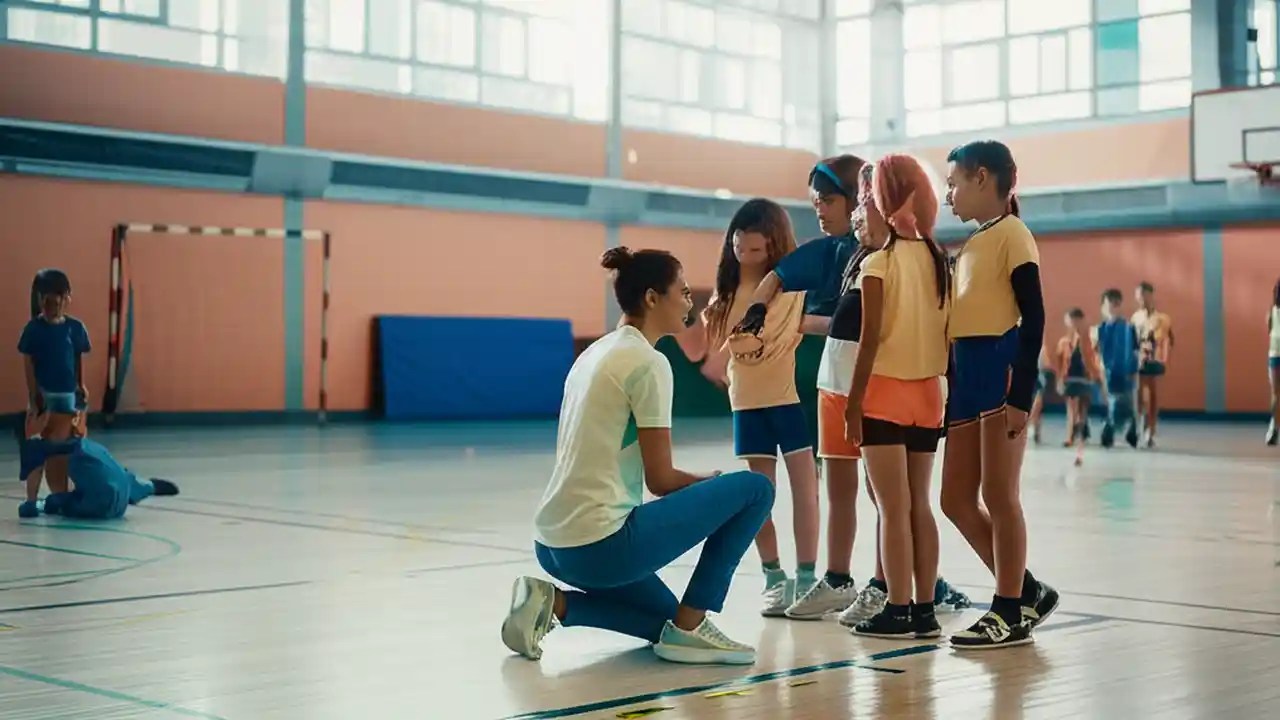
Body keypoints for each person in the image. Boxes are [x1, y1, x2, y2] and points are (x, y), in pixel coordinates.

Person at [502, 247, 775, 666]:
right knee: (755, 489)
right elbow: (661, 481)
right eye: (682, 293)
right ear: (652, 298)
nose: (689, 302)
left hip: (553, 543)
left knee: (662, 625)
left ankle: (553, 603)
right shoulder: (649, 363)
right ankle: (692, 625)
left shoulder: (594, 353)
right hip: (600, 547)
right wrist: (710, 485)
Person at [732, 157, 970, 623]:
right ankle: (855, 583)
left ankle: (894, 591)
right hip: (847, 384)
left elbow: (874, 331)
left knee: (890, 500)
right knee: (862, 492)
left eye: (854, 200)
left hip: (877, 388)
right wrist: (765, 310)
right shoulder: (851, 254)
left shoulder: (892, 260)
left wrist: (801, 328)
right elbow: (784, 281)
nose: (828, 209)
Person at [941, 140, 1059, 650]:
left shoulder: (1014, 234)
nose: (949, 195)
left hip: (1000, 370)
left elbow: (1034, 319)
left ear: (982, 178)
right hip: (966, 376)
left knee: (999, 496)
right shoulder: (974, 243)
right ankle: (1027, 589)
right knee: (954, 499)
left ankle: (1008, 609)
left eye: (954, 183)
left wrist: (1022, 392)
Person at [841, 155, 951, 640]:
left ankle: (899, 608)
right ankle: (926, 610)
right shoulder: (938, 260)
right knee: (919, 505)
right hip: (930, 396)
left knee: (891, 507)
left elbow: (870, 340)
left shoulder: (877, 263)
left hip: (883, 392)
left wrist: (851, 403)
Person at [703, 199, 820, 617]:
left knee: (806, 490)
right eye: (739, 248)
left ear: (774, 246)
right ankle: (774, 577)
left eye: (756, 250)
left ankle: (808, 577)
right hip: (747, 406)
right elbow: (721, 351)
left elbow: (803, 325)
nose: (747, 256)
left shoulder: (791, 289)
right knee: (760, 496)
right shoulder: (725, 297)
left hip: (787, 401)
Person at [19, 268, 90, 517]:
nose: (55, 303)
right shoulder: (33, 330)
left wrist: (81, 385)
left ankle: (62, 495)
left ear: (67, 298)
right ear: (40, 299)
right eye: (48, 297)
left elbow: (78, 357)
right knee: (37, 448)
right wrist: (33, 394)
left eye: (60, 296)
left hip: (68, 397)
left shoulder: (75, 328)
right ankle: (30, 500)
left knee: (65, 448)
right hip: (43, 398)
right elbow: (28, 362)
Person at [18, 412, 179, 519]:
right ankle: (151, 486)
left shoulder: (70, 453)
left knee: (59, 501)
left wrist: (35, 503)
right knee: (124, 480)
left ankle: (44, 504)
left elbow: (41, 452)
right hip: (120, 493)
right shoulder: (90, 447)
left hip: (99, 503)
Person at [1054, 308, 1104, 466]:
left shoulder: (1089, 340)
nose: (1074, 323)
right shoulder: (1063, 342)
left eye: (1077, 320)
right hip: (1070, 378)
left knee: (1083, 409)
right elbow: (1059, 363)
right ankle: (1070, 436)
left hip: (1085, 378)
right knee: (1071, 407)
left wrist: (1098, 377)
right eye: (1071, 320)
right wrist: (1060, 380)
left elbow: (1094, 359)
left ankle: (1081, 435)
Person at [1095, 288, 1140, 449]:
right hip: (1108, 373)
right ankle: (1111, 431)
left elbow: (1135, 352)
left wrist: (1134, 373)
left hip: (1126, 373)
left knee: (1126, 402)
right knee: (1112, 403)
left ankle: (1129, 431)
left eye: (1115, 304)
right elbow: (1098, 353)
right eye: (1108, 305)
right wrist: (1100, 372)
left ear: (1120, 305)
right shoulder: (1101, 329)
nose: (1112, 308)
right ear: (1103, 307)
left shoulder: (1129, 328)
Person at [1132, 282, 1173, 448]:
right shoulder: (1135, 317)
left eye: (1144, 295)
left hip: (1154, 358)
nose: (1141, 299)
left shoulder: (1162, 318)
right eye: (1138, 296)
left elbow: (1165, 340)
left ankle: (1151, 428)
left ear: (1150, 295)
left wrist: (1161, 357)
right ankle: (1140, 425)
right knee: (1139, 394)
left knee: (1153, 392)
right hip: (1138, 359)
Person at [1268, 278, 1279, 446]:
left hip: (1274, 353)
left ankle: (1273, 427)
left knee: (1275, 393)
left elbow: (1269, 330)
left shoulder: (1272, 311)